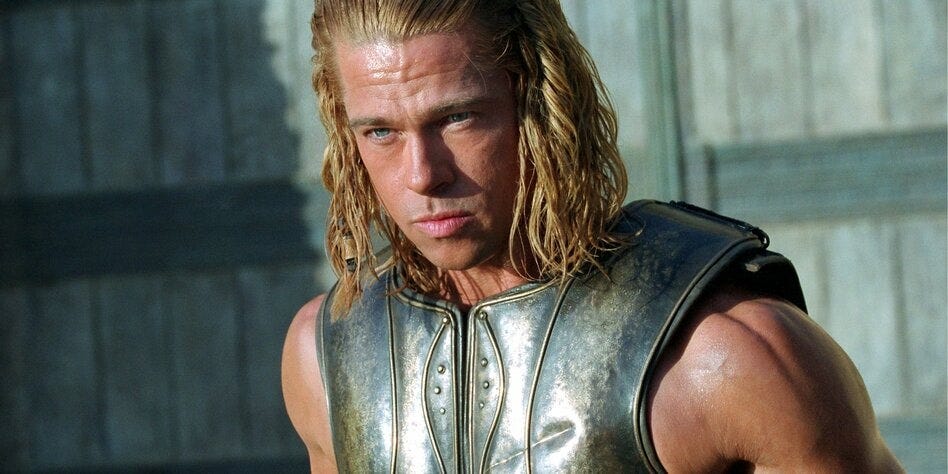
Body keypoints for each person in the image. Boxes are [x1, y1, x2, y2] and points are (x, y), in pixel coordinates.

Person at [282, 0, 902, 471]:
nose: (422, 174)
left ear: (541, 100)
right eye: (380, 132)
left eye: (458, 116)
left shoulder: (728, 356)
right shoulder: (328, 358)